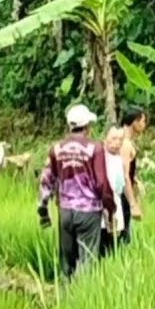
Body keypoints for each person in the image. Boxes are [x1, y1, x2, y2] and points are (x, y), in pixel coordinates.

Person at [38, 104, 117, 280]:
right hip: (88, 211)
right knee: (87, 261)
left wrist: (43, 208)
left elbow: (46, 180)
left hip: (65, 211)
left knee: (67, 262)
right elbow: (102, 183)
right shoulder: (95, 148)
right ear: (88, 126)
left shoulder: (57, 149)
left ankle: (64, 299)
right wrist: (111, 207)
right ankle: (81, 300)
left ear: (69, 126)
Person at [118, 107, 148, 245]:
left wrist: (135, 180)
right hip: (121, 194)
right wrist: (133, 204)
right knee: (124, 236)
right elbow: (124, 175)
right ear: (135, 122)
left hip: (121, 192)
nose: (144, 124)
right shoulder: (125, 144)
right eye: (143, 121)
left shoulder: (121, 140)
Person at [99, 127, 127, 258]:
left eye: (120, 139)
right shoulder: (97, 158)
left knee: (113, 248)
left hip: (115, 208)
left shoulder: (118, 160)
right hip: (99, 210)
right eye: (113, 138)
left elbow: (120, 187)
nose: (116, 143)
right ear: (105, 138)